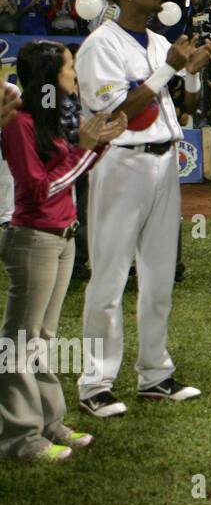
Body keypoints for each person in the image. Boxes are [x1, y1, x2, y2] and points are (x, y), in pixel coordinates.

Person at [74, 0, 211, 418]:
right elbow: (120, 115)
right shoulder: (99, 45)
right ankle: (95, 381)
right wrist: (167, 70)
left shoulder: (158, 43)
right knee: (110, 277)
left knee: (159, 277)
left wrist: (190, 73)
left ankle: (155, 374)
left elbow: (187, 107)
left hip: (164, 160)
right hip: (121, 162)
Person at [0, 43, 126, 462]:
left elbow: (70, 170)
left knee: (43, 339)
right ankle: (21, 438)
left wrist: (99, 144)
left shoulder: (45, 118)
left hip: (62, 237)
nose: (75, 75)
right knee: (19, 341)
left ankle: (50, 423)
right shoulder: (19, 123)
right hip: (34, 239)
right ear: (51, 75)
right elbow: (40, 188)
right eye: (70, 68)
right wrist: (87, 148)